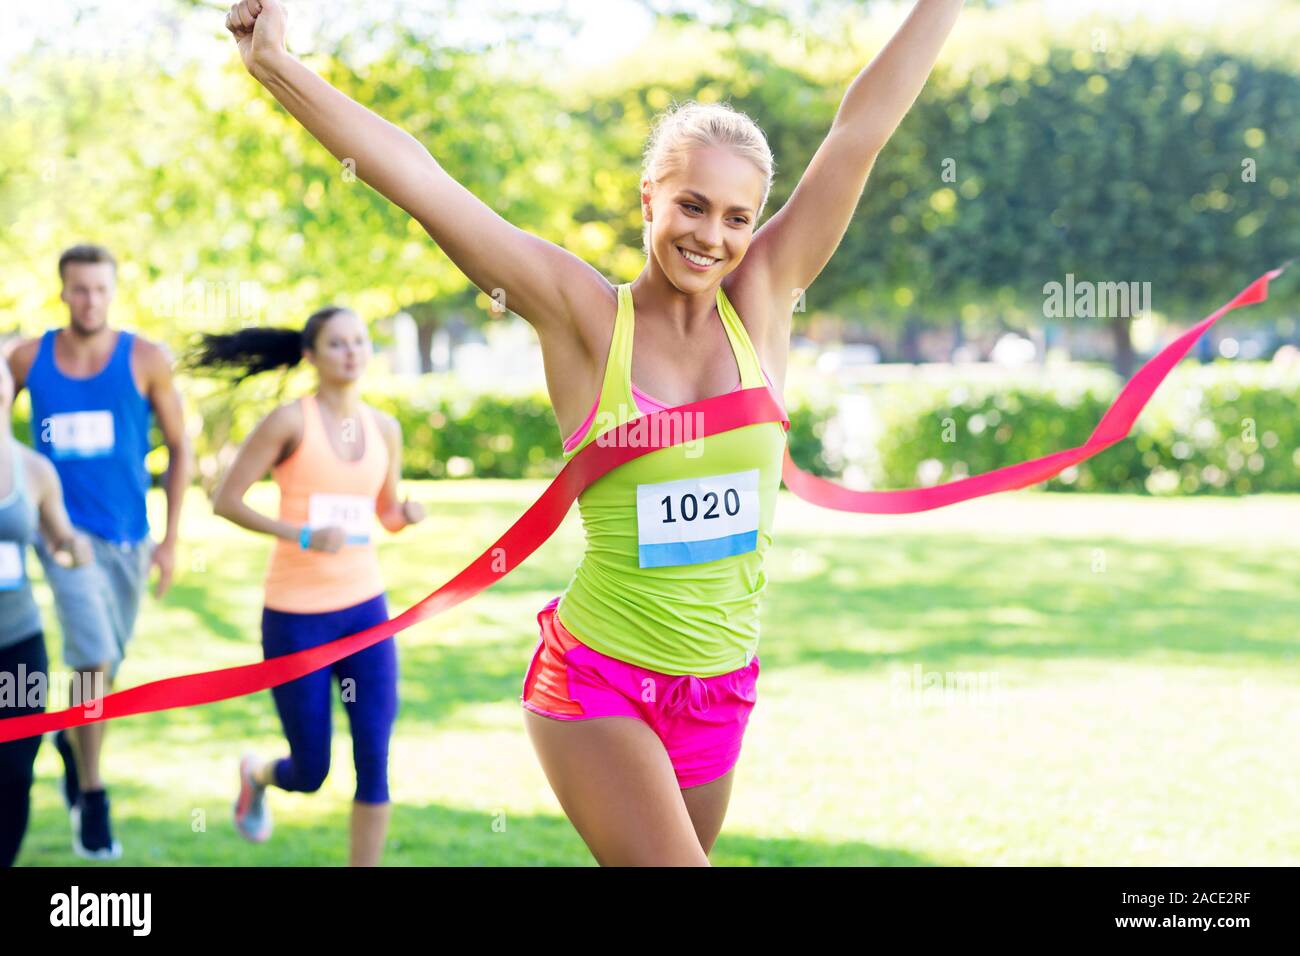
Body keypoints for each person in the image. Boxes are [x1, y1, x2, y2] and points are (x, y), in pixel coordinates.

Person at [225, 0, 963, 864]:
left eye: (736, 216)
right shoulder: (582, 318)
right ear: (649, 195)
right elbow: (421, 181)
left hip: (720, 687)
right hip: (599, 682)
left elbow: (859, 131)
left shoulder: (764, 297)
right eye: (692, 205)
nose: (711, 236)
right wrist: (276, 64)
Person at [202, 307, 425, 867]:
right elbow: (226, 500)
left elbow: (384, 514)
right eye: (337, 344)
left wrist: (406, 515)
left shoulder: (385, 429)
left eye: (359, 341)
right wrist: (299, 533)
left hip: (366, 615)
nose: (352, 352)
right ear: (311, 355)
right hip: (296, 617)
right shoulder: (289, 422)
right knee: (311, 771)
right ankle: (257, 774)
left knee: (375, 758)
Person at [5, 243, 191, 860]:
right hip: (59, 535)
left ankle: (68, 736)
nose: (89, 300)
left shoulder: (146, 358)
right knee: (91, 660)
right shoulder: (30, 357)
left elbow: (181, 449)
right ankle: (94, 794)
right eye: (79, 289)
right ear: (62, 291)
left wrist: (167, 540)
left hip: (127, 537)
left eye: (100, 289)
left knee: (106, 666)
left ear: (113, 291)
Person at [0, 355, 93, 867]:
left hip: (16, 645)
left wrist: (73, 548)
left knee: (15, 768)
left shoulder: (32, 469)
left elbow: (59, 539)